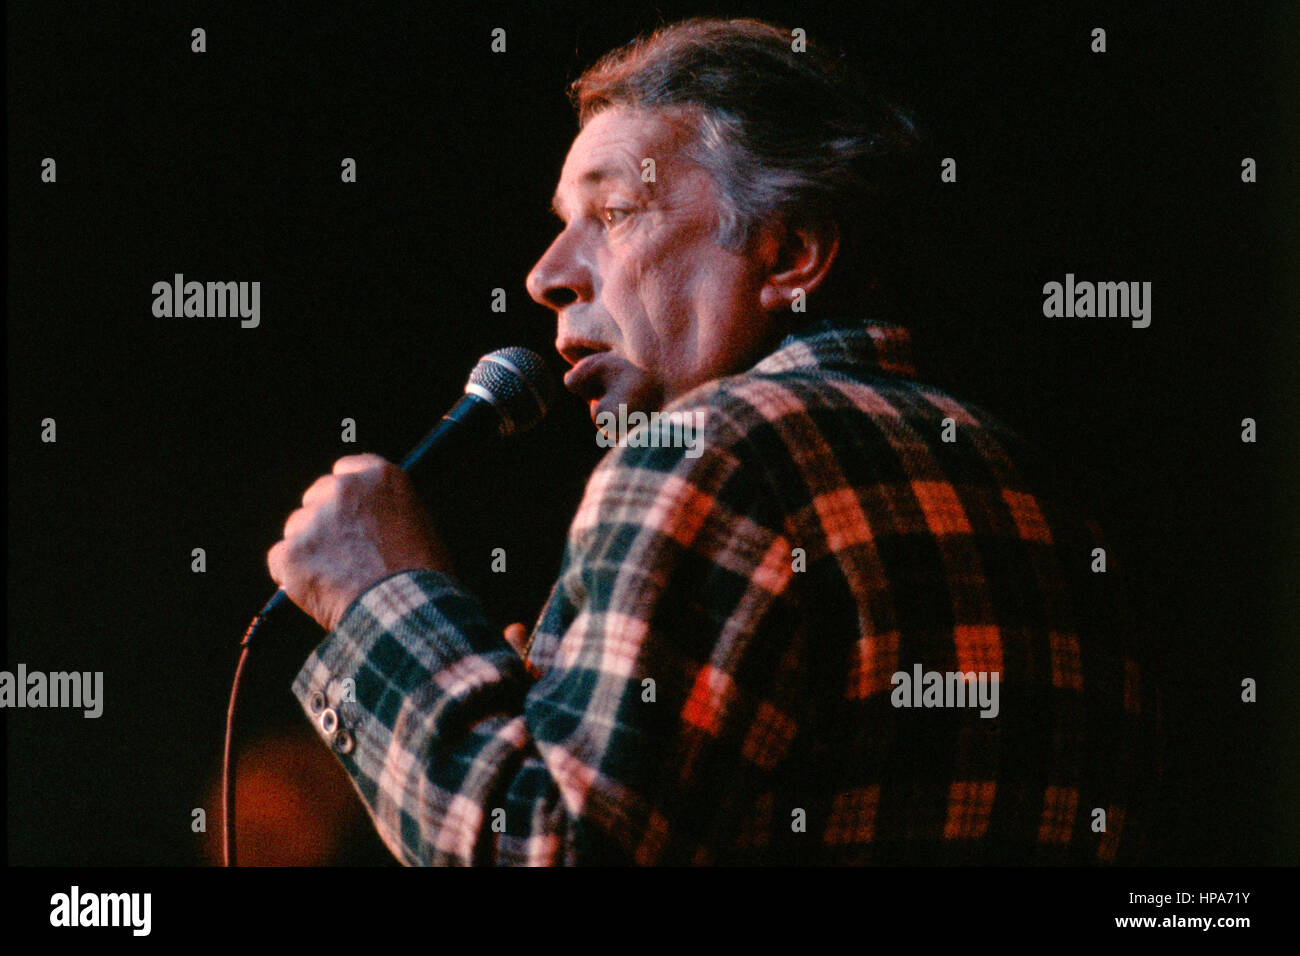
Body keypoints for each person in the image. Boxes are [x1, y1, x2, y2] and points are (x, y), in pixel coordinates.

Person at [268, 17, 1162, 865]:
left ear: (791, 254)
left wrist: (382, 598)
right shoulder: (1043, 496)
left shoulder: (715, 449)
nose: (547, 275)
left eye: (613, 213)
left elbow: (549, 850)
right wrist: (529, 711)